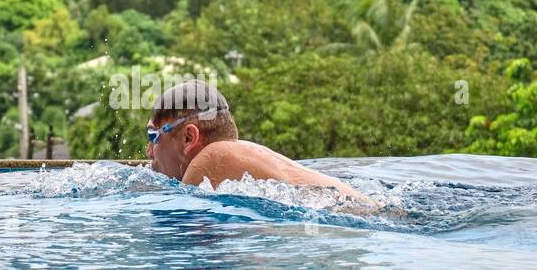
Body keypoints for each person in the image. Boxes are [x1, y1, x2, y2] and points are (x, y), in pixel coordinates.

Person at [146, 80, 374, 206]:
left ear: (189, 138)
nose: (148, 152)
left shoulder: (210, 160)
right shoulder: (241, 153)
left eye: (153, 137)